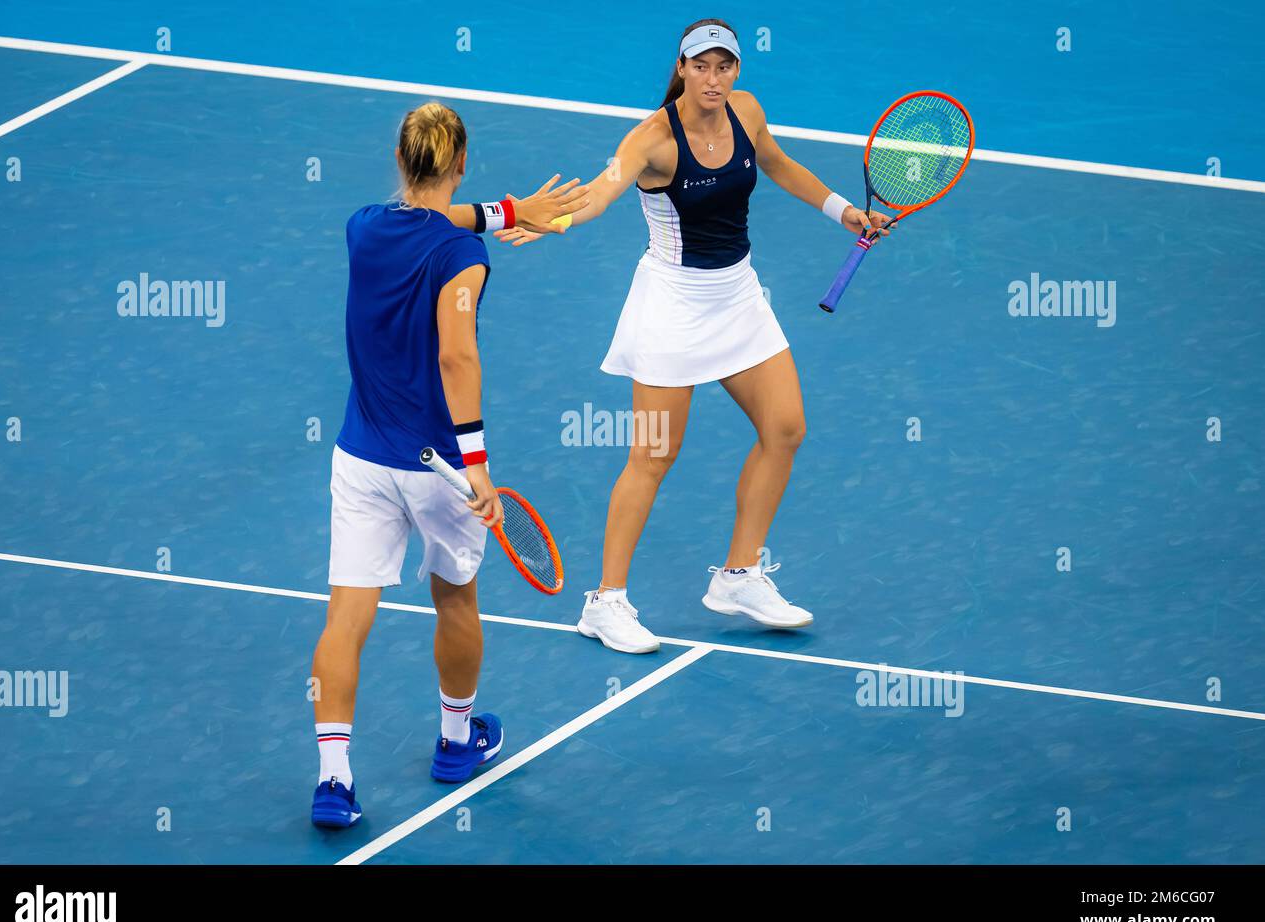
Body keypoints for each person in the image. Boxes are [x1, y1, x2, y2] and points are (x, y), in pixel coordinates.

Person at [496, 19, 891, 654]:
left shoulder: (747, 113)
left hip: (738, 296)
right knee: (653, 456)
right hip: (672, 309)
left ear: (737, 71)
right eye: (701, 66)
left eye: (724, 67)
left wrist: (843, 210)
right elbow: (602, 192)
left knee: (786, 428)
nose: (713, 78)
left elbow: (781, 166)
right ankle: (606, 602)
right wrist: (554, 218)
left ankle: (739, 576)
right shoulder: (653, 139)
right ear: (681, 68)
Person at [310, 102, 588, 827]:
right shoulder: (463, 256)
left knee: (346, 619)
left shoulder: (363, 229)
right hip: (442, 471)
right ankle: (456, 742)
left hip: (361, 460)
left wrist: (505, 212)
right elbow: (456, 353)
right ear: (460, 163)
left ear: (401, 162)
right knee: (455, 598)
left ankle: (333, 780)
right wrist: (479, 467)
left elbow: (433, 220)